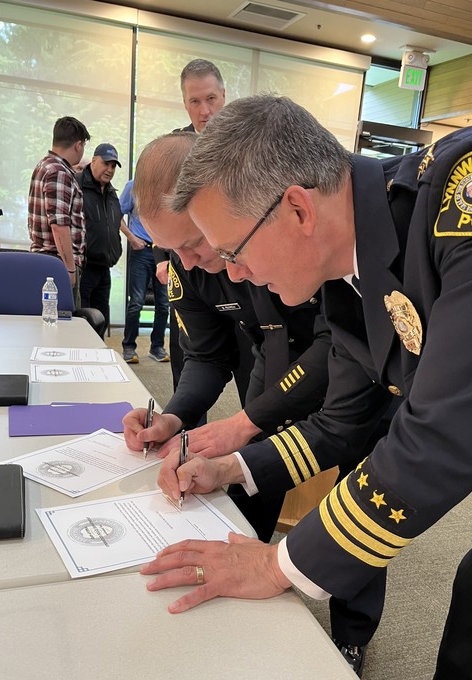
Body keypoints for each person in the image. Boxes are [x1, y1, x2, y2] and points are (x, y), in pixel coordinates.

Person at [141, 95, 472, 680]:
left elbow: (439, 439)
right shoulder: (348, 276)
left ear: (296, 208)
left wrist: (279, 565)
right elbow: (341, 423)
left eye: (232, 251)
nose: (231, 274)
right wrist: (233, 468)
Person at [123, 131, 330, 545]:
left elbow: (338, 344)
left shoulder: (283, 236)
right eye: (170, 249)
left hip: (341, 356)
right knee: (250, 477)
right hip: (271, 354)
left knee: (353, 495)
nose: (186, 263)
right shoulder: (186, 265)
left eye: (193, 243)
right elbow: (206, 356)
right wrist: (174, 416)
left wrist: (244, 422)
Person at [164, 59, 227, 396]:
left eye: (211, 99)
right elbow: (163, 213)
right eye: (195, 101)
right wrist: (166, 257)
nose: (205, 111)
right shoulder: (175, 151)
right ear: (185, 103)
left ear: (224, 96)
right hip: (191, 271)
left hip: (241, 270)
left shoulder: (248, 144)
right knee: (192, 357)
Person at [28, 115, 90, 306]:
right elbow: (59, 225)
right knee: (63, 321)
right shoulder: (59, 172)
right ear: (78, 145)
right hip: (57, 263)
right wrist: (69, 269)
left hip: (47, 260)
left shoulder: (44, 165)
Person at [119, 178, 170, 364]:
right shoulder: (133, 186)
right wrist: (132, 238)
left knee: (164, 303)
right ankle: (129, 346)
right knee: (137, 302)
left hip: (163, 251)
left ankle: (157, 347)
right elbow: (116, 215)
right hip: (141, 250)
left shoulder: (167, 185)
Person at [76, 143, 123, 338]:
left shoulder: (111, 193)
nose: (110, 170)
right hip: (84, 267)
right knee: (83, 321)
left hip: (104, 268)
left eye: (113, 166)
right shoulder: (77, 185)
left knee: (101, 319)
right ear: (94, 160)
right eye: (106, 163)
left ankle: (99, 352)